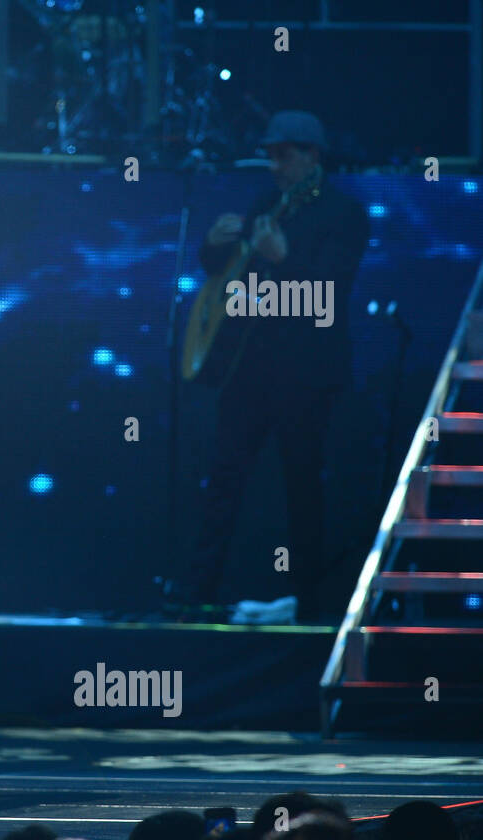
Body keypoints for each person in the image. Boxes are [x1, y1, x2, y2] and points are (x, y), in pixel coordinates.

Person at [168, 111, 368, 623]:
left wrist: (284, 259)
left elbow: (329, 294)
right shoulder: (265, 204)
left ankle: (312, 602)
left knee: (303, 488)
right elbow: (223, 270)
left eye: (284, 155)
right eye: (271, 155)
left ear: (311, 156)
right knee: (224, 479)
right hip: (250, 372)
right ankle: (197, 593)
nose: (275, 165)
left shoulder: (345, 213)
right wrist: (214, 244)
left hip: (306, 374)